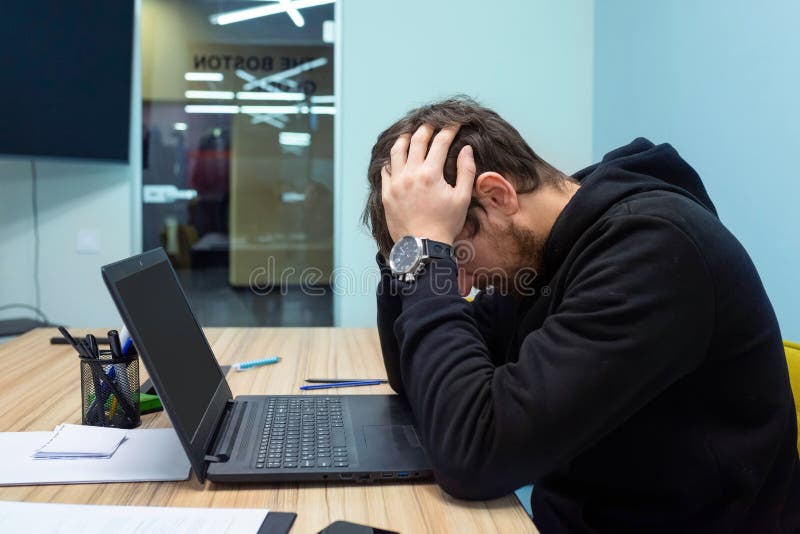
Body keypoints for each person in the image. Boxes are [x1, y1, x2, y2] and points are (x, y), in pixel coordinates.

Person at [363, 97, 800, 532]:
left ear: (497, 195)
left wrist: (425, 255)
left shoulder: (652, 250)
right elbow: (414, 377)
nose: (457, 286)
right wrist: (406, 252)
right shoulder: (536, 256)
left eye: (453, 255)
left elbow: (473, 455)